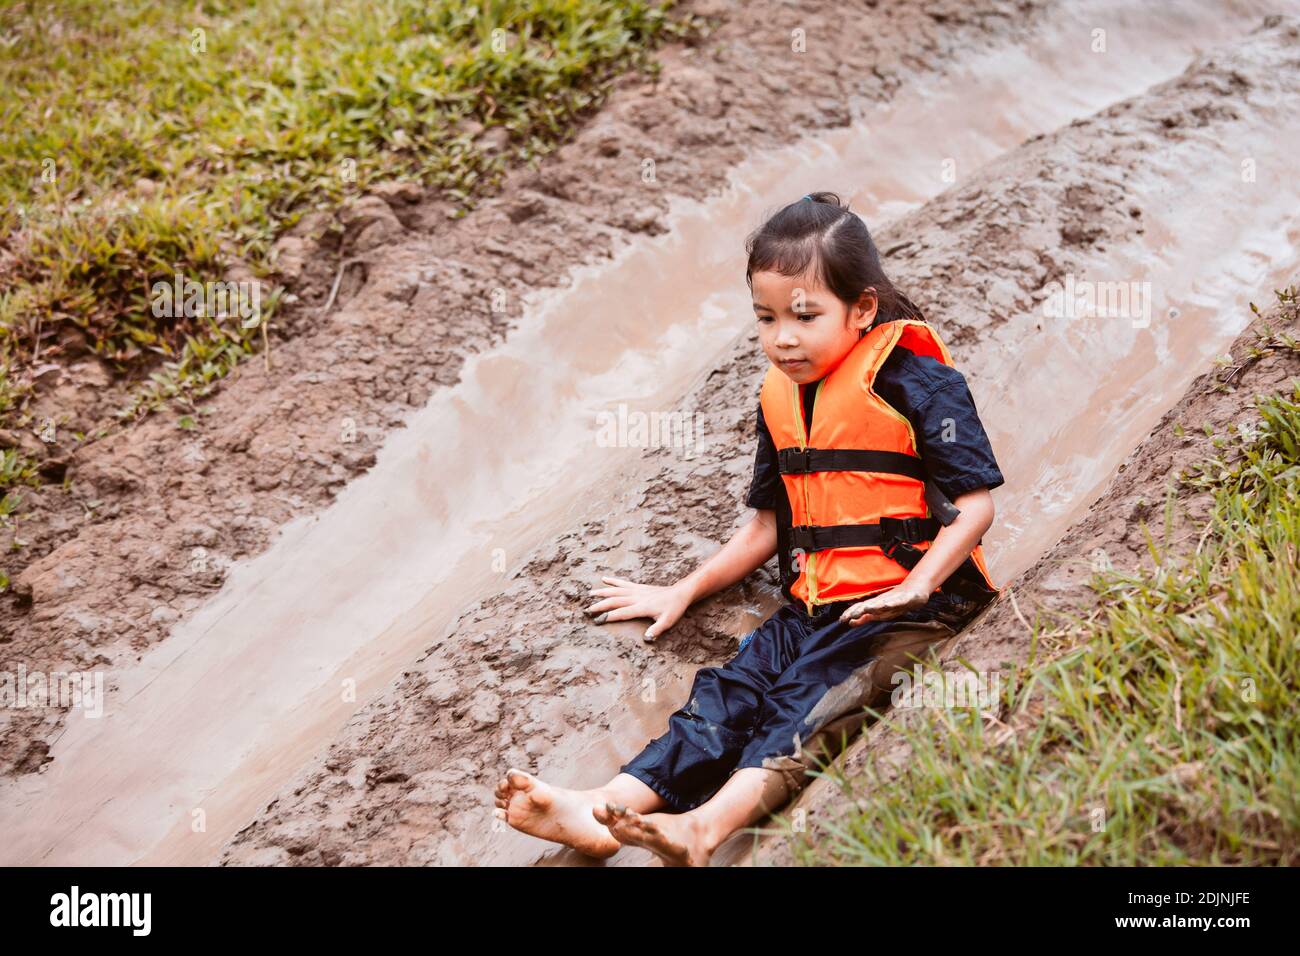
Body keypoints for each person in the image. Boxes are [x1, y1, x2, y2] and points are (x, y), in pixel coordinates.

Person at [494, 191, 1005, 866]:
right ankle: (599, 808)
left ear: (863, 309)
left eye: (803, 316)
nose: (782, 337)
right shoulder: (781, 395)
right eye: (765, 318)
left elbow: (976, 508)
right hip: (815, 603)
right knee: (726, 694)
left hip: (911, 607)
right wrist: (682, 589)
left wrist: (917, 586)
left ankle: (704, 829)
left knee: (810, 698)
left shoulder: (922, 386)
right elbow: (770, 525)